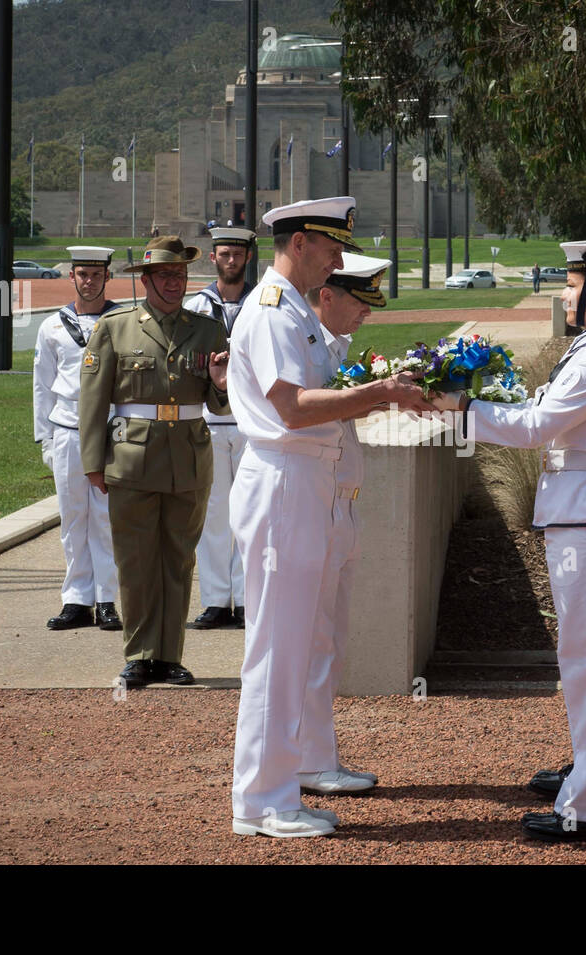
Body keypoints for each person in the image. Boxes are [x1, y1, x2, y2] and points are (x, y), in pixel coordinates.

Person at [429, 238, 586, 843]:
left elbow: (536, 428)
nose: (563, 292)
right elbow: (547, 410)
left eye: (570, 283)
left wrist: (456, 406)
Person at [227, 197, 432, 838]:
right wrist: (378, 394)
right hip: (284, 478)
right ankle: (261, 801)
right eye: (333, 246)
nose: (341, 260)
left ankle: (289, 778)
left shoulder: (294, 312)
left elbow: (322, 399)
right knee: (278, 649)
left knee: (299, 643)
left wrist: (381, 391)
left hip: (306, 480)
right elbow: (291, 407)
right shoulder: (271, 313)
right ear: (301, 241)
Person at [78, 236, 231, 689]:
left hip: (188, 457)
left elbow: (220, 406)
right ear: (146, 280)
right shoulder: (114, 327)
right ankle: (140, 653)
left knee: (178, 561)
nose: (174, 283)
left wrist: (222, 383)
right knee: (137, 561)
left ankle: (170, 656)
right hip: (131, 459)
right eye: (165, 275)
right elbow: (93, 400)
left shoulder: (207, 330)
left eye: (180, 275)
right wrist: (92, 462)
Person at [295, 252, 395, 796]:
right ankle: (308, 762)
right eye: (360, 300)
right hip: (319, 501)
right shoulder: (307, 343)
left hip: (342, 502)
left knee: (329, 639)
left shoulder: (334, 347)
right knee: (313, 639)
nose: (367, 313)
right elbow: (301, 410)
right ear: (327, 296)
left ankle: (318, 753)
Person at [32, 246, 123, 633]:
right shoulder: (52, 326)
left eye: (96, 274)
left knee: (105, 520)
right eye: (82, 274)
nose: (89, 281)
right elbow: (42, 386)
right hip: (67, 429)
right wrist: (45, 440)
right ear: (72, 277)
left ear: (107, 277)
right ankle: (75, 599)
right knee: (73, 519)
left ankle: (106, 599)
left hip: (108, 430)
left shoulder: (122, 321)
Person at [183, 228, 256, 630]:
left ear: (247, 257)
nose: (231, 260)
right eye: (224, 253)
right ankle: (214, 599)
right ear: (213, 259)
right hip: (208, 421)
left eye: (238, 253)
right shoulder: (196, 305)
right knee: (212, 515)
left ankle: (245, 598)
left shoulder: (263, 302)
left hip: (250, 422)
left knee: (247, 513)